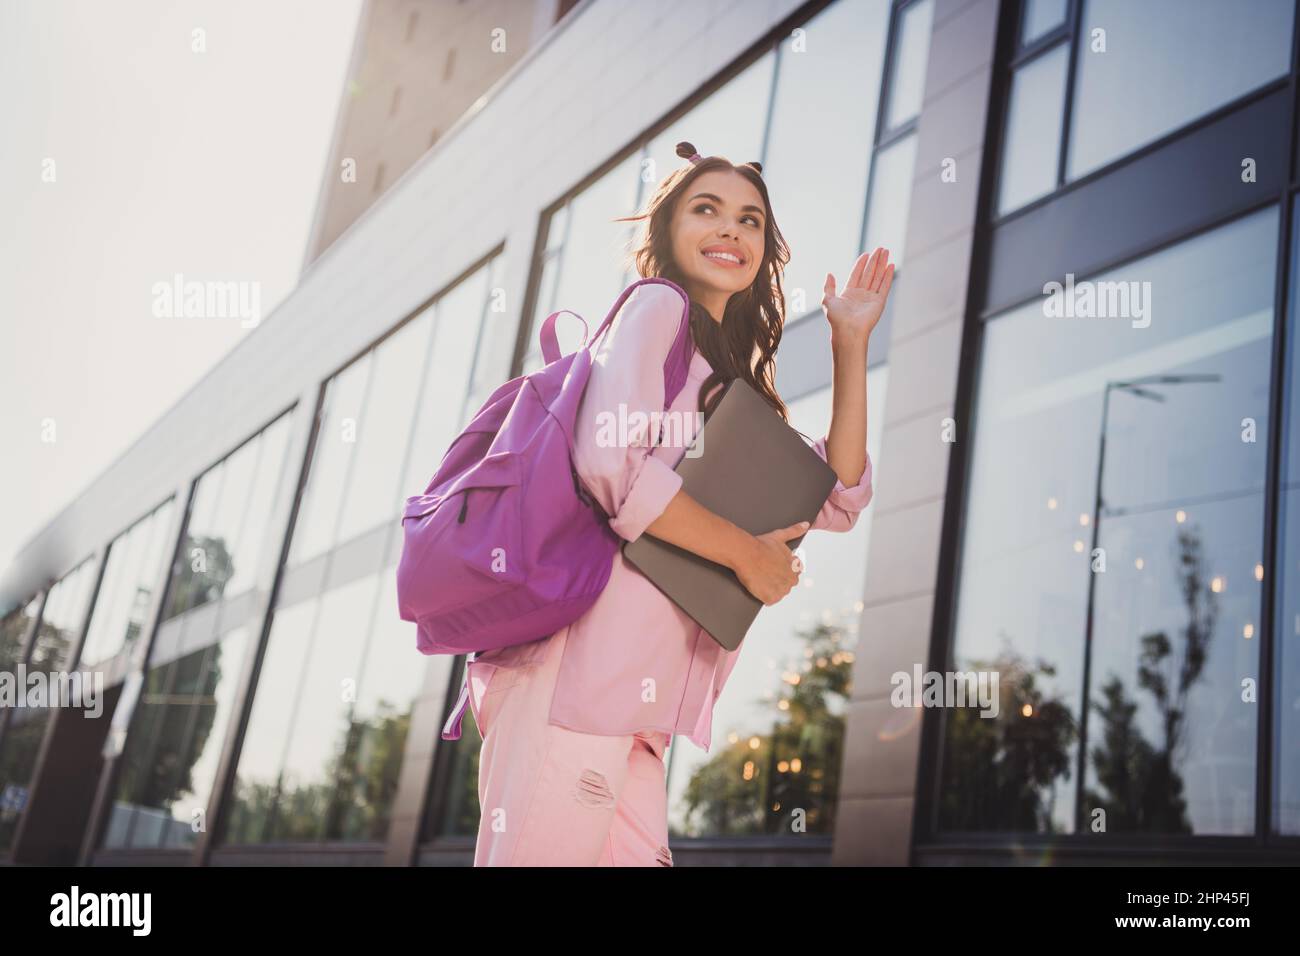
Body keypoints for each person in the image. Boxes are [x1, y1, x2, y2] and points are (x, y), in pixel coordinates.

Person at [470, 141, 891, 866]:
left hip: (633, 711)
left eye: (750, 219)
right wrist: (746, 556)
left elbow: (837, 495)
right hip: (576, 686)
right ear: (667, 232)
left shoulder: (726, 380)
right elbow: (610, 463)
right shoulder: (655, 307)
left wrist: (848, 343)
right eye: (708, 209)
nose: (732, 229)